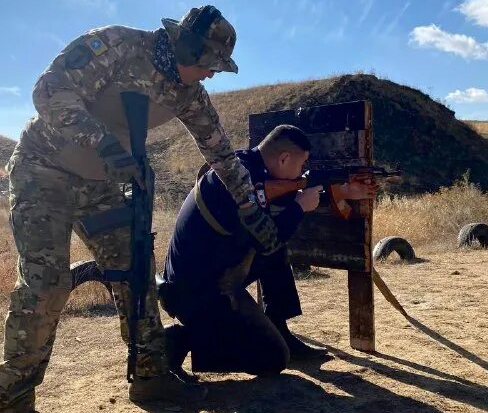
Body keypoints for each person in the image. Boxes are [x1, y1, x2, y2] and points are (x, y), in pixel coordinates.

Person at [0, 5, 282, 413]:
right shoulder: (118, 46)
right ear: (186, 48)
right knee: (45, 286)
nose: (209, 76)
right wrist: (101, 141)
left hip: (101, 185)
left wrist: (252, 209)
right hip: (44, 172)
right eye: (207, 64)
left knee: (137, 271)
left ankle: (150, 375)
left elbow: (222, 154)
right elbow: (49, 92)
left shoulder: (188, 93)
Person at [160, 124, 377, 378]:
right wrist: (299, 207)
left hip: (215, 278)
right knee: (272, 358)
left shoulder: (246, 167)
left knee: (275, 256)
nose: (302, 173)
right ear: (284, 158)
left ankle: (277, 324)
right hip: (194, 294)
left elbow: (276, 200)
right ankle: (178, 340)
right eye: (301, 165)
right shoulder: (235, 181)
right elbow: (269, 237)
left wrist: (342, 191)